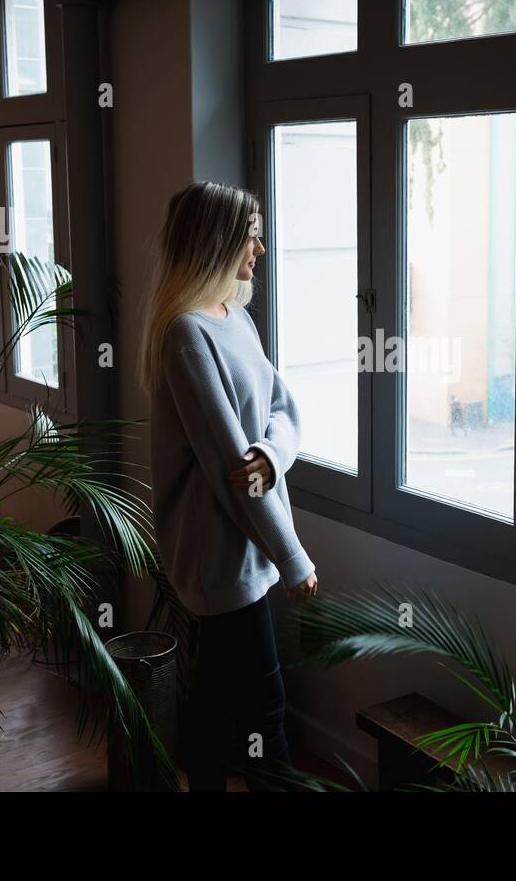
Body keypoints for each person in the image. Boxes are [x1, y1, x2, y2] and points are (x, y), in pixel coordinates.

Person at [138, 180, 318, 791]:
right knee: (265, 712)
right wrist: (291, 555)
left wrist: (272, 451)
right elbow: (227, 466)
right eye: (252, 235)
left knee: (215, 706)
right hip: (221, 559)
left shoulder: (233, 315)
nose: (261, 248)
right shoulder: (186, 334)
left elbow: (285, 411)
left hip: (250, 550)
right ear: (219, 242)